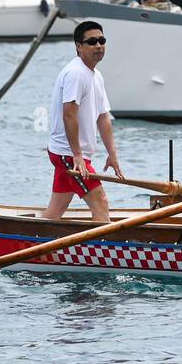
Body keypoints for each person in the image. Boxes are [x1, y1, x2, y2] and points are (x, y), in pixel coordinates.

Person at [44, 20, 122, 222]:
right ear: (79, 47)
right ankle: (103, 252)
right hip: (68, 154)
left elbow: (103, 117)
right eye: (92, 42)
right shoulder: (76, 74)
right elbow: (69, 114)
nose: (98, 45)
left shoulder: (96, 75)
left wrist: (112, 154)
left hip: (71, 155)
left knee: (56, 209)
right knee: (101, 202)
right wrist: (77, 155)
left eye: (102, 40)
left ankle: (32, 245)